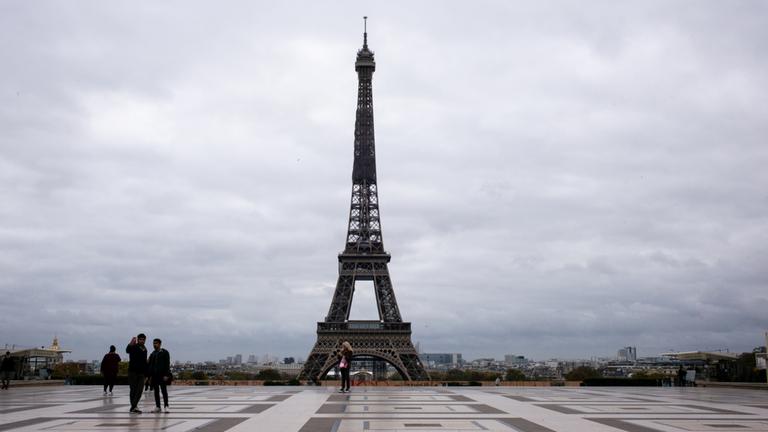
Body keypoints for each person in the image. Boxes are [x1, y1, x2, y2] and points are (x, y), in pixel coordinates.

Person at [147, 338, 171, 413]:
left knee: (164, 391)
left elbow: (167, 364)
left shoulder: (164, 352)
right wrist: (149, 376)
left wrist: (166, 375)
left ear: (160, 344)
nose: (154, 345)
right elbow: (150, 365)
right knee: (156, 391)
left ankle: (166, 406)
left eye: (156, 343)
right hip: (154, 375)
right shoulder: (153, 354)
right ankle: (158, 406)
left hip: (162, 375)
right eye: (154, 343)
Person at [126, 334, 148, 413]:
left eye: (143, 339)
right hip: (133, 372)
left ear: (145, 340)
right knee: (133, 390)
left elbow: (145, 362)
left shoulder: (145, 349)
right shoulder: (134, 347)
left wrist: (146, 374)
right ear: (138, 340)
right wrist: (130, 344)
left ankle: (133, 406)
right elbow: (127, 350)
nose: (142, 341)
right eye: (140, 339)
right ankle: (134, 407)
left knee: (140, 390)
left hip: (141, 373)